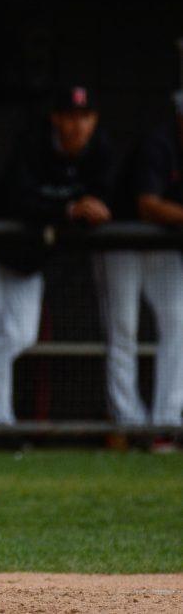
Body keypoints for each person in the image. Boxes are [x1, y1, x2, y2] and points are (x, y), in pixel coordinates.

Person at [0, 86, 116, 424]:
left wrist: (93, 208)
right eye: (71, 117)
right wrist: (69, 208)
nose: (78, 126)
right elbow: (20, 199)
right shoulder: (33, 143)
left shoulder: (100, 151)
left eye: (85, 117)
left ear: (95, 120)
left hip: (30, 254)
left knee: (19, 334)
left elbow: (104, 197)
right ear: (56, 119)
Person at [93, 91, 183, 428]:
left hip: (165, 245)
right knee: (123, 329)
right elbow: (149, 205)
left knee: (179, 324)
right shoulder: (159, 144)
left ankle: (167, 421)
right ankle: (127, 420)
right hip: (123, 241)